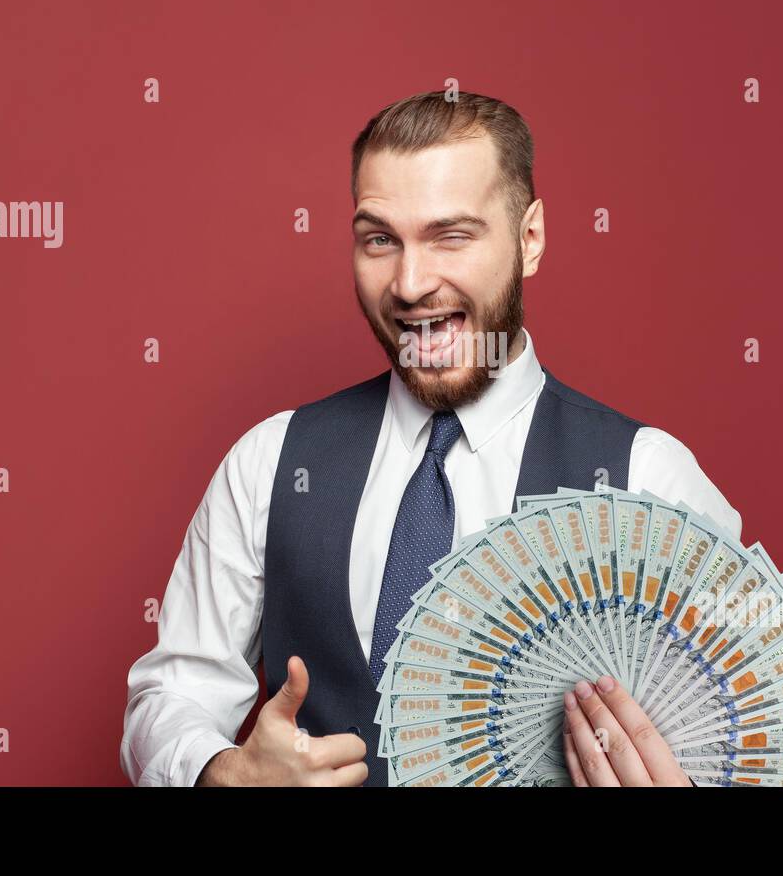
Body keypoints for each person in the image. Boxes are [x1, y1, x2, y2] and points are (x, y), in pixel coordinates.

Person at [119, 91, 742, 787]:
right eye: (380, 239)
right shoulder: (271, 461)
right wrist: (221, 772)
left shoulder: (648, 480)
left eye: (452, 235)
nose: (411, 285)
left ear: (529, 239)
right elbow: (171, 696)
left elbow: (757, 734)